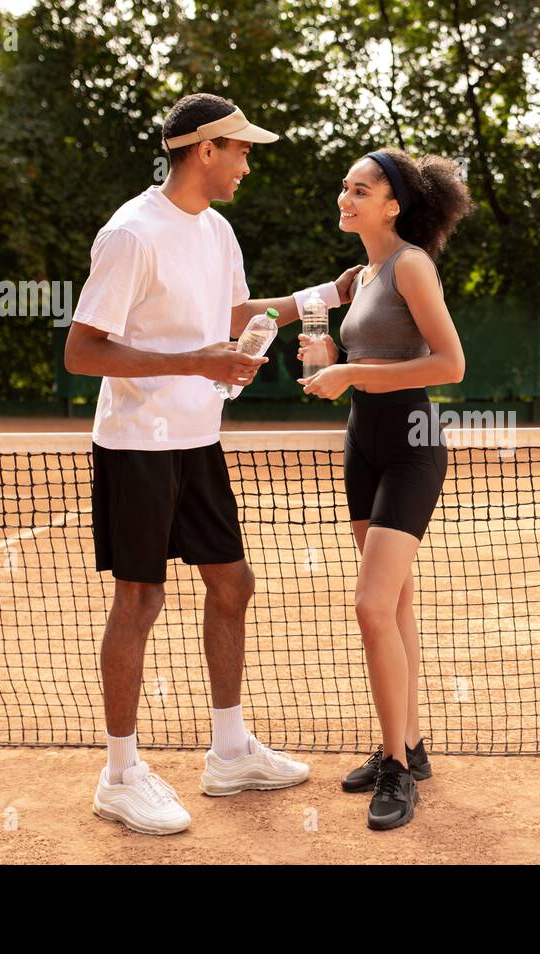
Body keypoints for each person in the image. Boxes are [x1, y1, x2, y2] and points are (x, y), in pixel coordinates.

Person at [64, 92, 363, 835]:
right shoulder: (131, 234)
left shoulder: (217, 230)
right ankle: (120, 772)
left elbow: (231, 318)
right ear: (204, 151)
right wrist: (195, 362)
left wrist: (327, 293)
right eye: (241, 150)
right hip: (136, 445)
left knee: (232, 583)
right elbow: (82, 350)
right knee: (140, 602)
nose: (247, 164)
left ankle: (229, 752)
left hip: (197, 441)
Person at [297, 147, 473, 829]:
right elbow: (346, 348)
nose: (346, 197)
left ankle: (397, 770)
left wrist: (352, 373)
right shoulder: (363, 272)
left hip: (411, 447)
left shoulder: (411, 265)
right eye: (344, 187)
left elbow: (450, 364)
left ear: (393, 204)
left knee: (371, 607)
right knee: (394, 602)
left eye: (361, 190)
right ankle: (410, 745)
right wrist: (330, 365)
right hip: (361, 444)